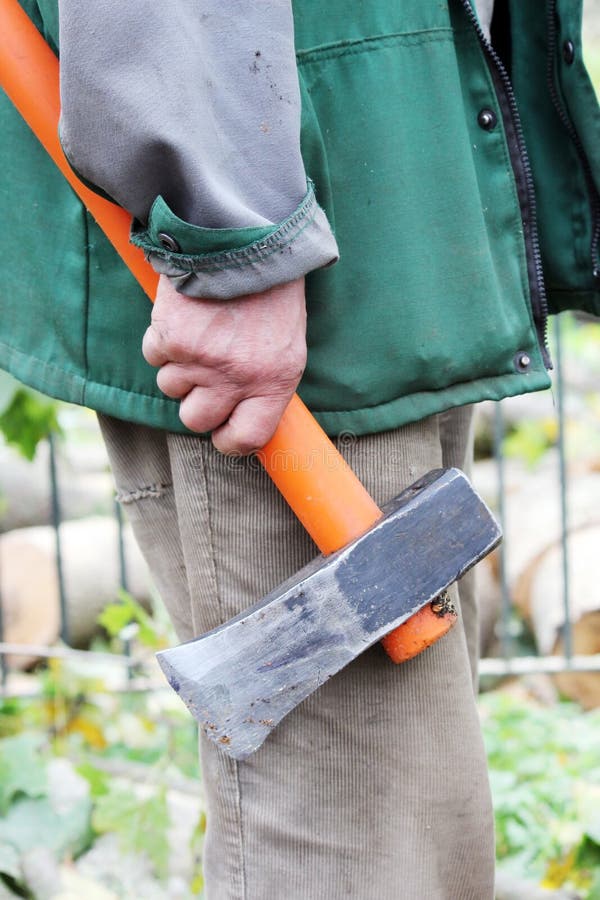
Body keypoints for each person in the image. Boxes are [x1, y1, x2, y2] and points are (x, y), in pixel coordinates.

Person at [1, 1, 599, 897]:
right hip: (285, 268)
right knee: (359, 842)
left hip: (384, 201)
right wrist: (234, 238)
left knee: (419, 815)